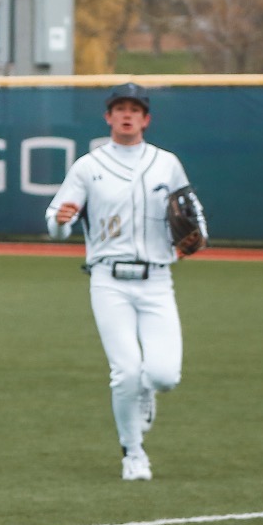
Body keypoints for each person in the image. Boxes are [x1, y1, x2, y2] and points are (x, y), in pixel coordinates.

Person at [44, 82, 206, 481]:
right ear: (108, 116)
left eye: (135, 108)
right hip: (108, 280)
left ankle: (146, 394)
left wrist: (197, 239)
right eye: (120, 108)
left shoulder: (166, 163)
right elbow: (55, 221)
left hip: (157, 279)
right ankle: (133, 453)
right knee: (126, 372)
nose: (127, 114)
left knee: (164, 375)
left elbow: (193, 213)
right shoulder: (89, 166)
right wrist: (60, 222)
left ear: (146, 119)